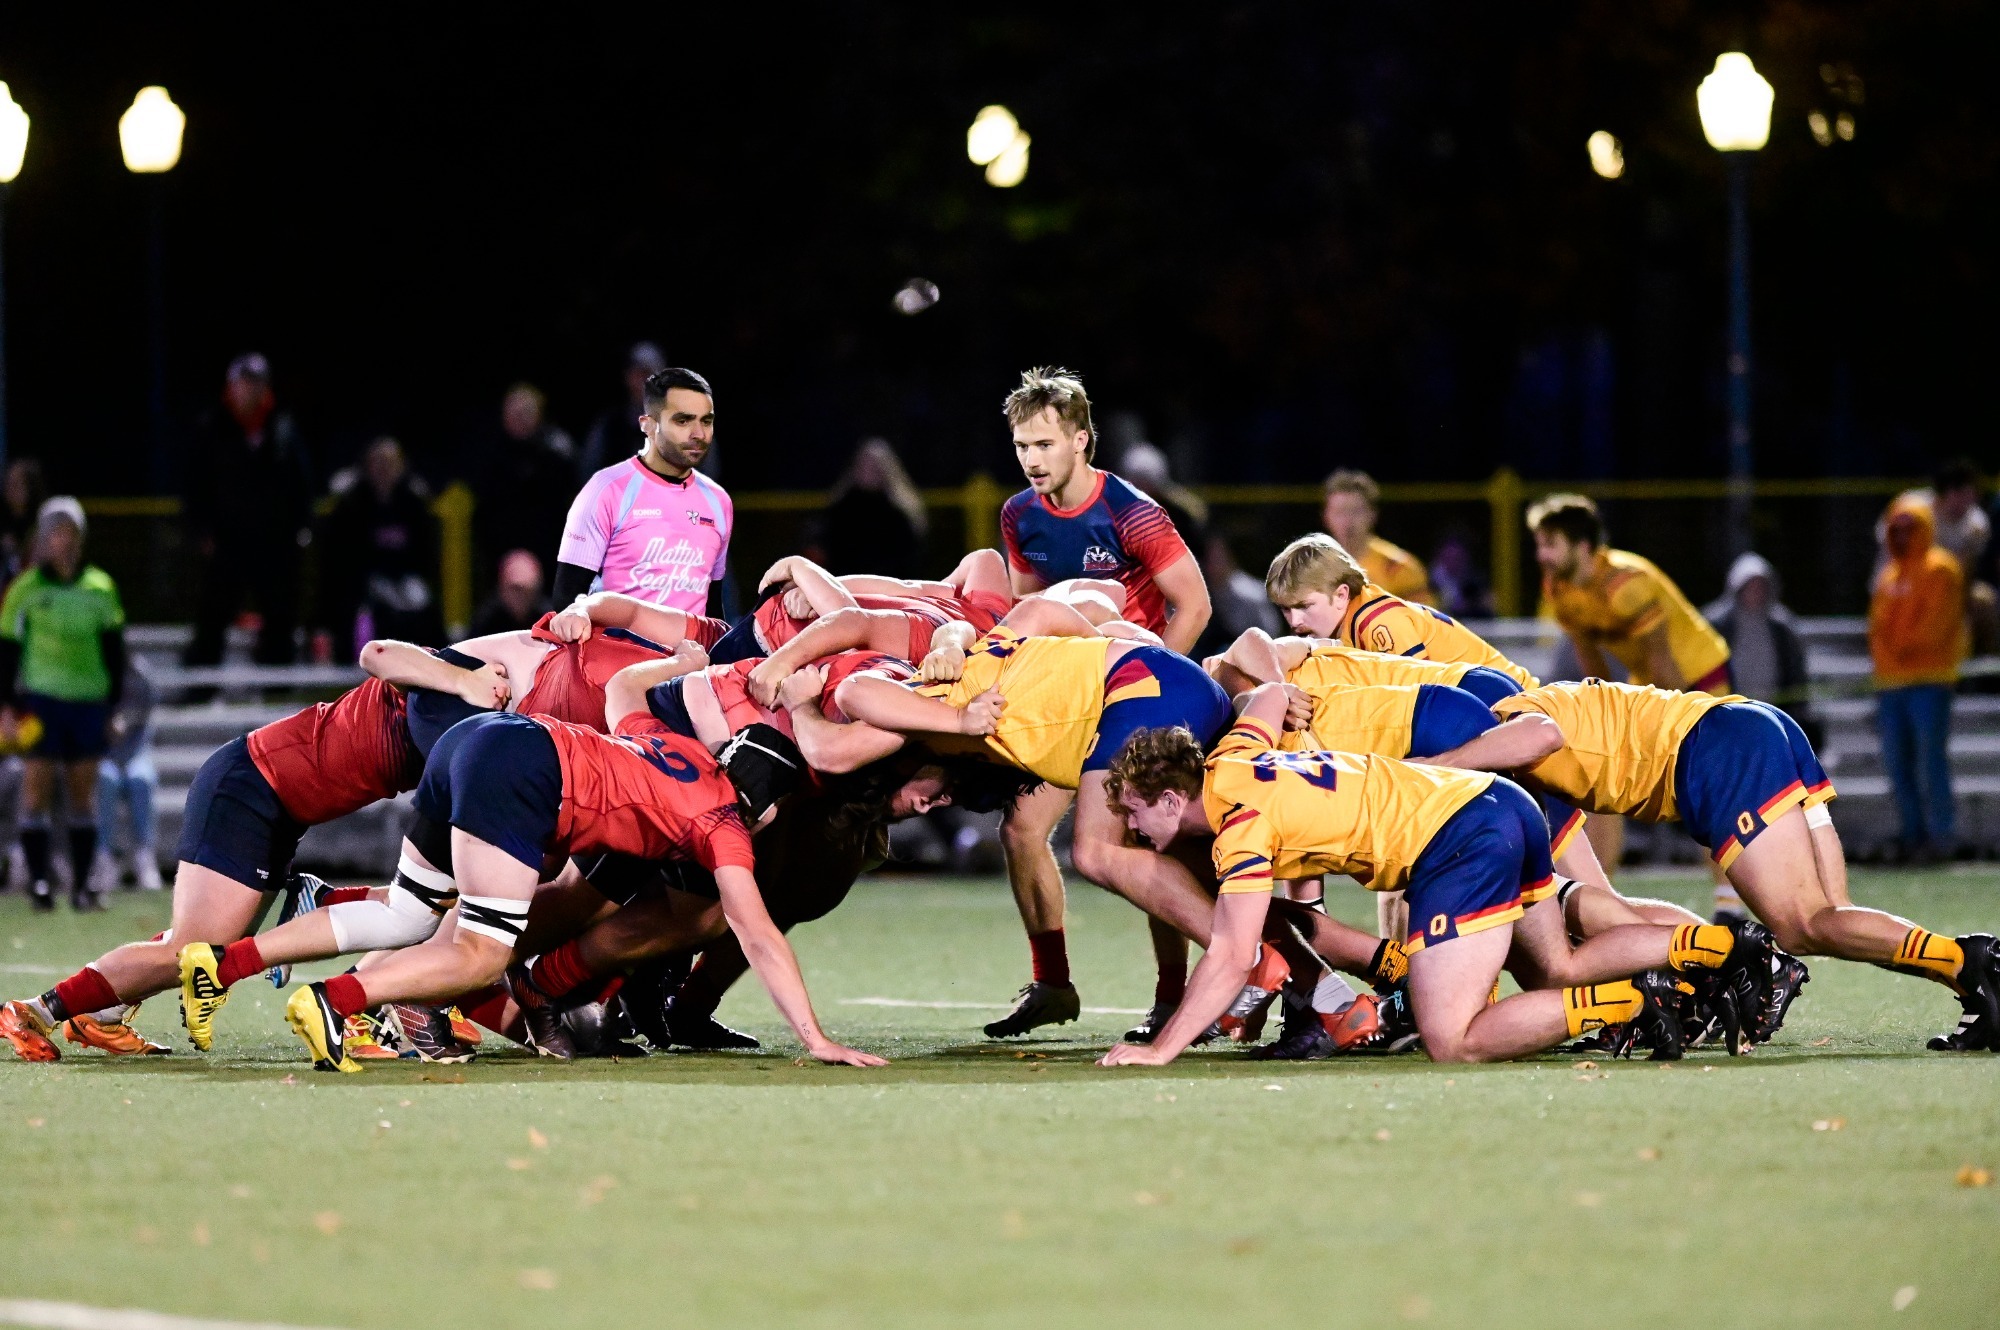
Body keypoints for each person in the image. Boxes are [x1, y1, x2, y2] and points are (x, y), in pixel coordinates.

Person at [1093, 687, 1697, 1069]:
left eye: (1135, 813)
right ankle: (1716, 947)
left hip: (1460, 838)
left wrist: (1161, 1048)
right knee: (1556, 965)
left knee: (1453, 1041)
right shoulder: (1233, 758)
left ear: (1173, 800)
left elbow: (1230, 954)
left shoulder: (1242, 827)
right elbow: (1272, 693)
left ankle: (1634, 1003)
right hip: (1500, 801)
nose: (1131, 827)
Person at [277, 708, 882, 1073]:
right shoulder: (722, 823)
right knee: (483, 947)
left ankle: (268, 941)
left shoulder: (685, 749)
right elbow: (759, 935)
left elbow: (624, 698)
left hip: (489, 737)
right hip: (525, 771)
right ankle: (343, 999)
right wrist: (816, 1038)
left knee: (417, 911)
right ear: (767, 799)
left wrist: (674, 664)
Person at [0, 648, 508, 1062]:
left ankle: (99, 1015)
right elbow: (374, 651)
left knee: (218, 943)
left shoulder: (480, 726)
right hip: (249, 789)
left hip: (277, 804)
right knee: (197, 951)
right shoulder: (448, 684)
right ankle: (36, 1010)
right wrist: (459, 681)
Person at [1477, 677, 2000, 1052]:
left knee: (1803, 925)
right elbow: (1598, 903)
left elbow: (1537, 737)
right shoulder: (1537, 734)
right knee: (1829, 920)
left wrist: (1431, 767)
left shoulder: (1506, 733)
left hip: (1719, 752)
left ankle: (1969, 963)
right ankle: (1970, 978)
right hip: (1748, 726)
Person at [990, 367, 1214, 1038]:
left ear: (1081, 440)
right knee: (1021, 830)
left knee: (1152, 842)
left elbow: (1195, 603)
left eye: (1045, 445)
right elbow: (1027, 610)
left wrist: (1154, 684)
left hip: (1135, 696)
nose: (1032, 459)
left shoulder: (1131, 511)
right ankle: (1053, 983)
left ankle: (1176, 996)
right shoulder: (1018, 515)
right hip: (1071, 700)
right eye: (1022, 446)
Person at [0, 499, 128, 912]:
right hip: (40, 703)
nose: (63, 541)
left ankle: (82, 884)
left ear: (80, 537)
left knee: (82, 794)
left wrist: (114, 708)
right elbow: (6, 653)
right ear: (42, 538)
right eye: (54, 532)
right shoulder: (26, 590)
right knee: (34, 788)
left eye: (70, 532)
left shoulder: (100, 588)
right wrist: (6, 709)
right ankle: (39, 883)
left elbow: (115, 654)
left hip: (89, 703)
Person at [554, 368, 731, 615]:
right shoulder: (606, 490)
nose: (699, 434)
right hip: (617, 651)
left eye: (706, 421)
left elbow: (713, 610)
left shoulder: (718, 501)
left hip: (693, 653)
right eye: (682, 421)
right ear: (647, 425)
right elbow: (567, 600)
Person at [182, 354, 315, 667]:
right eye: (244, 382)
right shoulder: (212, 426)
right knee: (214, 613)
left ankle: (279, 687)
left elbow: (301, 482)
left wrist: (301, 527)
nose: (250, 390)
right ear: (232, 385)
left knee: (280, 612)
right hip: (227, 540)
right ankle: (201, 685)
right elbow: (194, 483)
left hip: (275, 539)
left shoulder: (283, 426)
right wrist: (201, 531)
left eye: (257, 383)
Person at [1262, 534, 1533, 687]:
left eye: (1304, 606)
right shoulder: (1354, 621)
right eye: (1286, 609)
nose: (1295, 620)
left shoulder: (1378, 622)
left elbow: (1424, 701)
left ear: (1342, 595)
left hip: (1523, 707)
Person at [1528, 493, 1730, 693]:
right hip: (1651, 678)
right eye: (1539, 545)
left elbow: (1662, 661)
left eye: (1551, 544)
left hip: (1701, 672)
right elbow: (1589, 658)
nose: (1541, 555)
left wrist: (1669, 717)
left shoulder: (1625, 583)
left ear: (1583, 546)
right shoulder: (1558, 588)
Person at [1870, 495, 1963, 863]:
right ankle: (1913, 835)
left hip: (1930, 680)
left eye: (1912, 529)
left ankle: (1942, 837)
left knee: (1930, 760)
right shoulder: (1888, 575)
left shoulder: (1942, 569)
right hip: (1891, 685)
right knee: (1897, 763)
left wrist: (1900, 651)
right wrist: (1890, 658)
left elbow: (1937, 626)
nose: (1905, 536)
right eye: (1898, 529)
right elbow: (1876, 630)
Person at [318, 436, 443, 659]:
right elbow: (340, 555)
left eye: (390, 463)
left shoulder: (413, 501)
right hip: (365, 581)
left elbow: (426, 553)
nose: (384, 470)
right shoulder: (352, 503)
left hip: (404, 578)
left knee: (422, 605)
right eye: (378, 463)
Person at [466, 383, 577, 585]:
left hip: (547, 548)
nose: (519, 419)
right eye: (513, 412)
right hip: (502, 547)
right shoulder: (492, 451)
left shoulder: (557, 452)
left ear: (539, 414)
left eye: (526, 412)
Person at [1705, 553, 1812, 729]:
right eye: (1751, 586)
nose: (1757, 592)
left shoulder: (1782, 627)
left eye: (1761, 586)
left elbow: (1795, 670)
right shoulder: (1717, 625)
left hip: (1773, 711)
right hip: (1729, 712)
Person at [93, 655, 160, 893]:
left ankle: (144, 854)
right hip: (103, 754)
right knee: (105, 779)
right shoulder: (93, 673)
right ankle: (103, 857)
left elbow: (143, 724)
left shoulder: (140, 676)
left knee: (140, 780)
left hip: (136, 752)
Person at [818, 439, 927, 579]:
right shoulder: (840, 509)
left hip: (888, 587)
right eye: (864, 464)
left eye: (874, 466)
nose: (868, 470)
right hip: (845, 586)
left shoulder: (899, 512)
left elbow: (909, 559)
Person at [1322, 469, 1434, 605]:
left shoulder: (1398, 567)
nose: (1347, 521)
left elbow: (1423, 623)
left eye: (1356, 511)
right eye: (1340, 512)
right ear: (1326, 516)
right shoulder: (1315, 570)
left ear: (1372, 514)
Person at [577, 341, 667, 480]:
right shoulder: (608, 426)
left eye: (647, 373)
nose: (641, 381)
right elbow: (588, 474)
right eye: (636, 373)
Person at [468, 550, 552, 638]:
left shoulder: (549, 619)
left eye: (526, 590)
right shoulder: (486, 620)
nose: (519, 597)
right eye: (514, 589)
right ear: (502, 588)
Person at [1, 458, 45, 583]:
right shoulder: (4, 521)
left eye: (16, 484)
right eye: (8, 483)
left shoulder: (42, 523)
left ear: (30, 487)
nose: (9, 489)